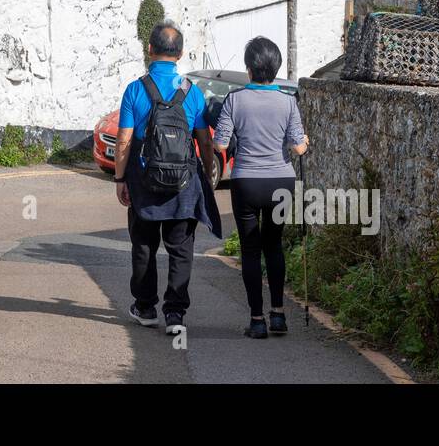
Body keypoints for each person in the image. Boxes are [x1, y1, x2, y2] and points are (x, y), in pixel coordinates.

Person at [112, 23, 221, 336]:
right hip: (184, 182)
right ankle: (175, 315)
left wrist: (120, 179)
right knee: (181, 248)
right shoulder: (192, 91)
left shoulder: (136, 89)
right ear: (181, 53)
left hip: (145, 179)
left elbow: (123, 140)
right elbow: (204, 140)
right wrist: (207, 176)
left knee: (144, 244)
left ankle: (145, 307)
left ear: (149, 50)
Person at [213, 36, 308, 339]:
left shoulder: (235, 99)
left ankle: (257, 321)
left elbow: (221, 143)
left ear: (249, 68)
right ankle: (278, 314)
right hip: (280, 181)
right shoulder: (288, 101)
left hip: (247, 182)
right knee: (274, 245)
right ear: (276, 67)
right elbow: (299, 148)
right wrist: (304, 141)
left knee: (251, 251)